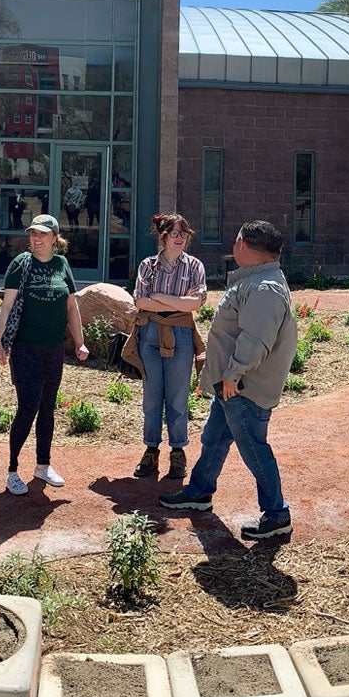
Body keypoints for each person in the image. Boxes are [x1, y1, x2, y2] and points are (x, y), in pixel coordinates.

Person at [158, 220, 296, 546]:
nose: (233, 246)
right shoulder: (257, 280)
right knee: (215, 438)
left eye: (236, 241)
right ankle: (200, 491)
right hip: (230, 386)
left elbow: (255, 340)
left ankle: (277, 515)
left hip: (243, 387)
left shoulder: (264, 288)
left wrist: (232, 373)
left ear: (244, 247)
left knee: (254, 450)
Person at [0, 213, 88, 499]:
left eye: (42, 234)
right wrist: (0, 342)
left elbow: (71, 307)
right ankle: (12, 471)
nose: (36, 238)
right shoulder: (21, 264)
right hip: (26, 348)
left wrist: (79, 342)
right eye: (33, 233)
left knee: (47, 408)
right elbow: (7, 306)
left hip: (53, 349)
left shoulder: (61, 264)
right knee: (28, 407)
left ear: (54, 238)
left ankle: (42, 465)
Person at [131, 214, 207, 485]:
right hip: (150, 333)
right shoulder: (148, 266)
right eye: (174, 233)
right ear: (162, 236)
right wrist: (178, 301)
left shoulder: (195, 266)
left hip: (182, 334)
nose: (180, 237)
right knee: (152, 397)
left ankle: (178, 451)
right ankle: (151, 450)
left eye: (184, 233)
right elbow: (140, 300)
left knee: (178, 396)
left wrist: (160, 298)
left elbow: (196, 304)